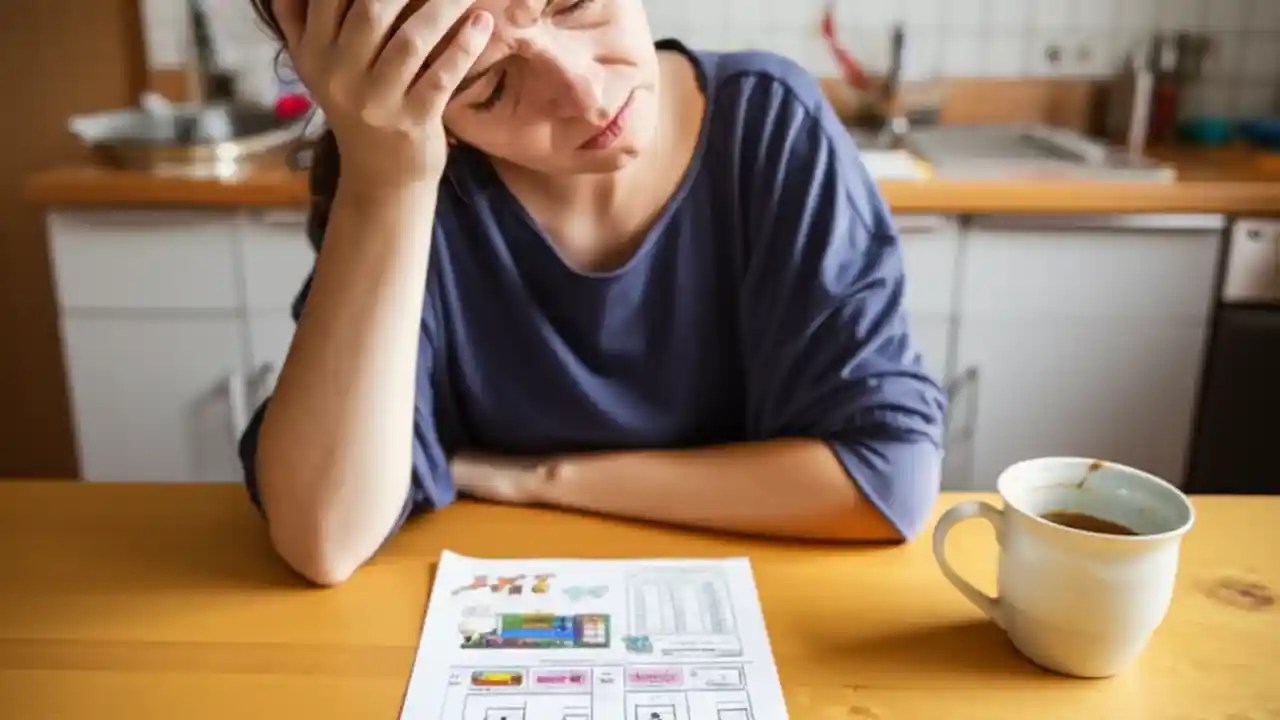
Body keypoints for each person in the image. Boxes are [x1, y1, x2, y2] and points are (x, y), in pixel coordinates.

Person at [239, 0, 947, 586]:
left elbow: (886, 479)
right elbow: (324, 536)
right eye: (490, 88)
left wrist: (542, 478)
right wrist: (385, 183)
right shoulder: (411, 186)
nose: (585, 91)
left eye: (573, 3)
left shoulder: (769, 126)